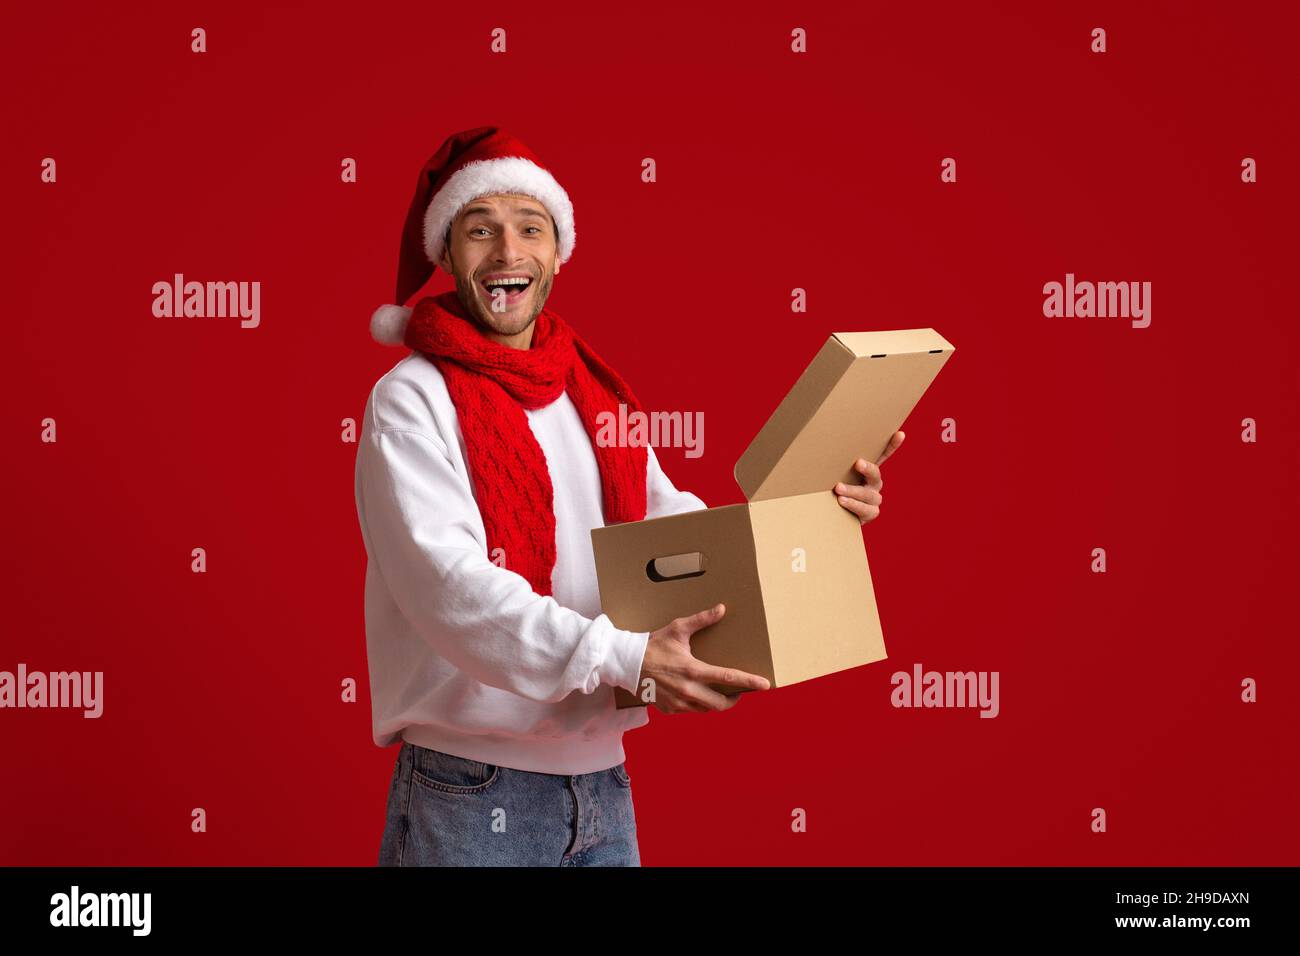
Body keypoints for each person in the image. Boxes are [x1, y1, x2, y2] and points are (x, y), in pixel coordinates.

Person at [354, 127, 901, 866]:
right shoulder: (410, 400)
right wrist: (624, 655)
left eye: (530, 229)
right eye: (479, 231)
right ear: (447, 256)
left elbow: (662, 529)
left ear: (557, 253)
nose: (508, 252)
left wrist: (810, 512)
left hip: (603, 785)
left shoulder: (587, 388)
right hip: (469, 790)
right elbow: (450, 588)